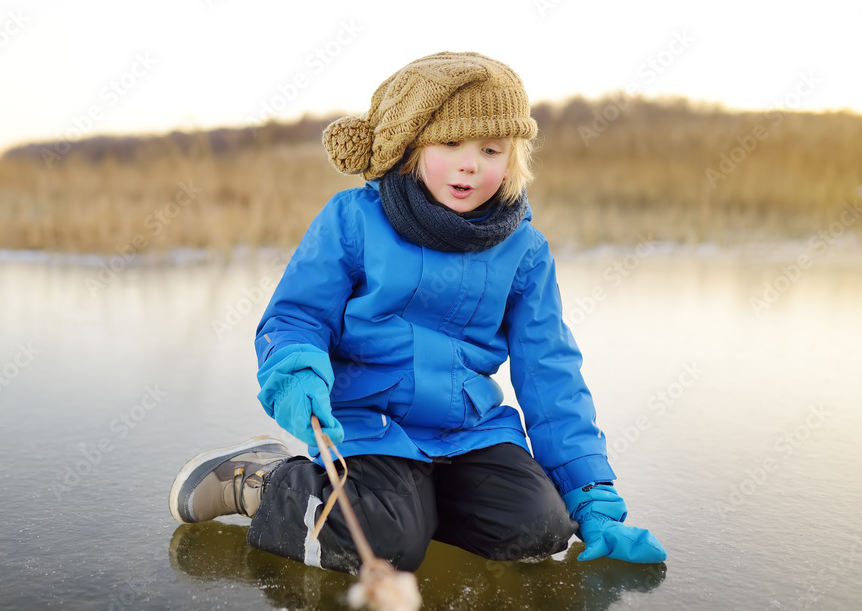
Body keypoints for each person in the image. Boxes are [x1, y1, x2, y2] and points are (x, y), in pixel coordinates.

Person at [169, 51, 667, 574]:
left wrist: (589, 490)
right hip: (368, 424)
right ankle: (263, 479)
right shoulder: (355, 219)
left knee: (541, 529)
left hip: (468, 430)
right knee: (381, 546)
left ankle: (416, 509)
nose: (470, 163)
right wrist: (294, 372)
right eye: (450, 143)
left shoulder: (524, 250)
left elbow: (550, 371)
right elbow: (297, 316)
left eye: (491, 149)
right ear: (411, 146)